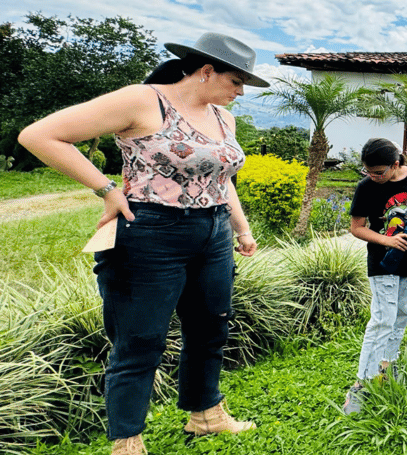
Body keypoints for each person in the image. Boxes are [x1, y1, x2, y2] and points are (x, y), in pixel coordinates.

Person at [19, 32, 268, 455]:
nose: (241, 91)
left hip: (214, 232)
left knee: (211, 327)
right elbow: (40, 135)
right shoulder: (142, 99)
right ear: (206, 71)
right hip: (151, 232)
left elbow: (221, 180)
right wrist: (106, 189)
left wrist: (241, 229)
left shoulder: (224, 117)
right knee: (140, 340)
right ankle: (127, 441)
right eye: (236, 81)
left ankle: (205, 414)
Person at [342, 138, 407, 414]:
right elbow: (357, 228)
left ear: (396, 164)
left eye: (378, 172)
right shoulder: (366, 188)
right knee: (383, 319)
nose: (373, 176)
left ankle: (385, 369)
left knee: (401, 315)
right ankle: (361, 384)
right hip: (383, 261)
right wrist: (388, 241)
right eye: (368, 172)